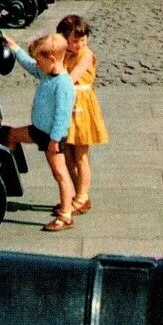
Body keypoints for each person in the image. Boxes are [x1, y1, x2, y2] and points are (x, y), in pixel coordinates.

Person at [0, 33, 77, 231]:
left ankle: (66, 215)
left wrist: (54, 140)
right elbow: (28, 64)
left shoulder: (63, 84)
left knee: (60, 173)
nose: (37, 64)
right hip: (38, 130)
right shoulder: (46, 73)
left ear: (52, 59)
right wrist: (15, 47)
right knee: (11, 135)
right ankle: (8, 171)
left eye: (39, 61)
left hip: (52, 136)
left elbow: (62, 115)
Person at [57, 14, 107, 215]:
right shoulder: (66, 53)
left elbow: (72, 78)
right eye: (72, 41)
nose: (77, 45)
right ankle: (76, 193)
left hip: (82, 106)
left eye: (81, 40)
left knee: (81, 155)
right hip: (68, 106)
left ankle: (82, 196)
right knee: (67, 153)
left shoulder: (86, 55)